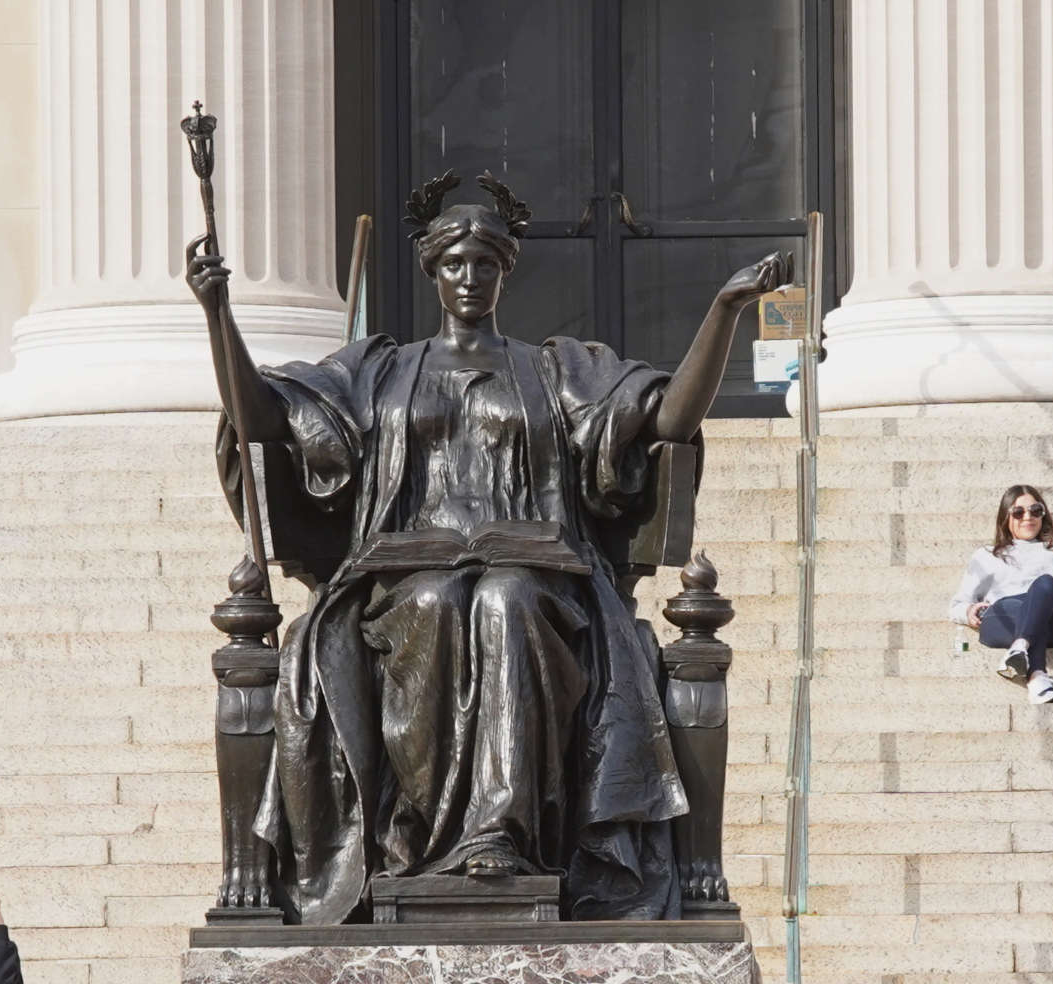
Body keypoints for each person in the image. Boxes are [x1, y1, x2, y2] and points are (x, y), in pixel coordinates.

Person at [186, 169, 786, 922]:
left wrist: (724, 313)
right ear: (432, 269)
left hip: (542, 581)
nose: (471, 278)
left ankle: (498, 839)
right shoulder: (378, 371)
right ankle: (419, 848)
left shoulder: (555, 368)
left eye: (487, 265)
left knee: (504, 597)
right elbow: (264, 418)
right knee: (439, 599)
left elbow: (665, 419)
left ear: (507, 271)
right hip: (403, 584)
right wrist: (218, 316)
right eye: (455, 264)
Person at [950, 485, 1053, 704]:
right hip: (1005, 618)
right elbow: (956, 605)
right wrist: (968, 611)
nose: (1028, 517)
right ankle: (1038, 677)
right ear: (1005, 517)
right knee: (1024, 608)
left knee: (1044, 586)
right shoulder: (986, 556)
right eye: (1018, 512)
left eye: (1035, 510)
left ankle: (1020, 648)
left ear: (1043, 513)